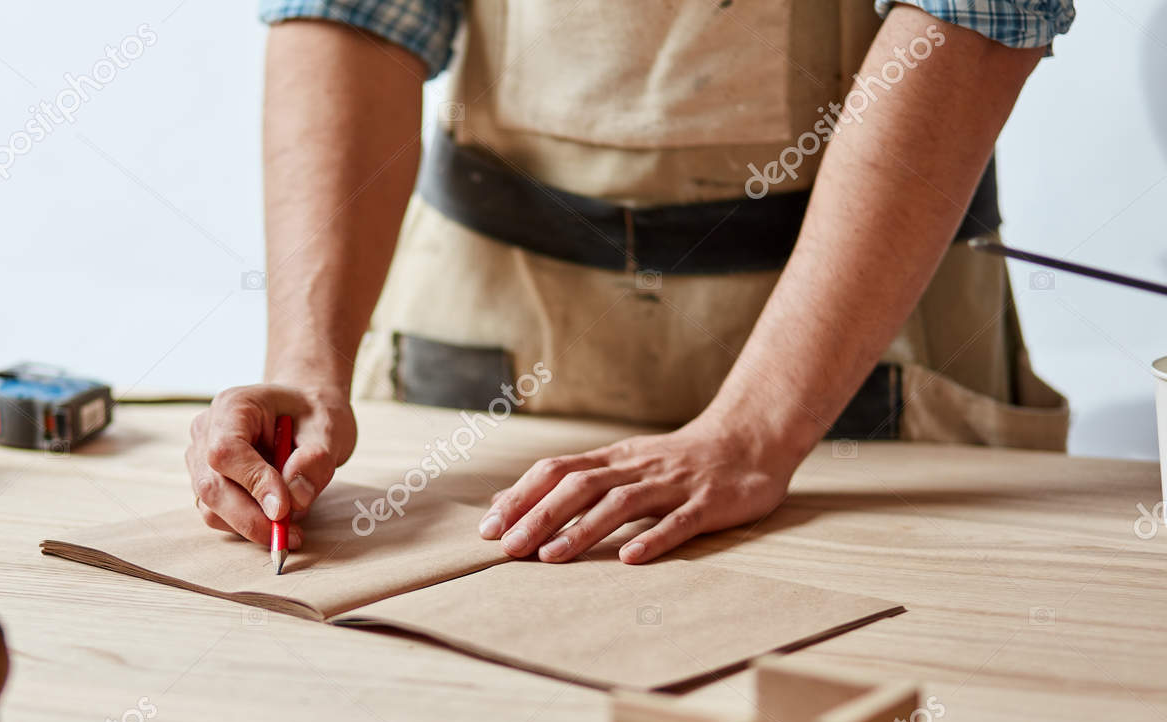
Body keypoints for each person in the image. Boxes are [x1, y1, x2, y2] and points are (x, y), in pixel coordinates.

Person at [186, 1, 1075, 565]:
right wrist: (306, 366)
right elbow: (352, 10)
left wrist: (759, 428)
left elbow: (976, 15)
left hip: (870, 340)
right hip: (491, 313)